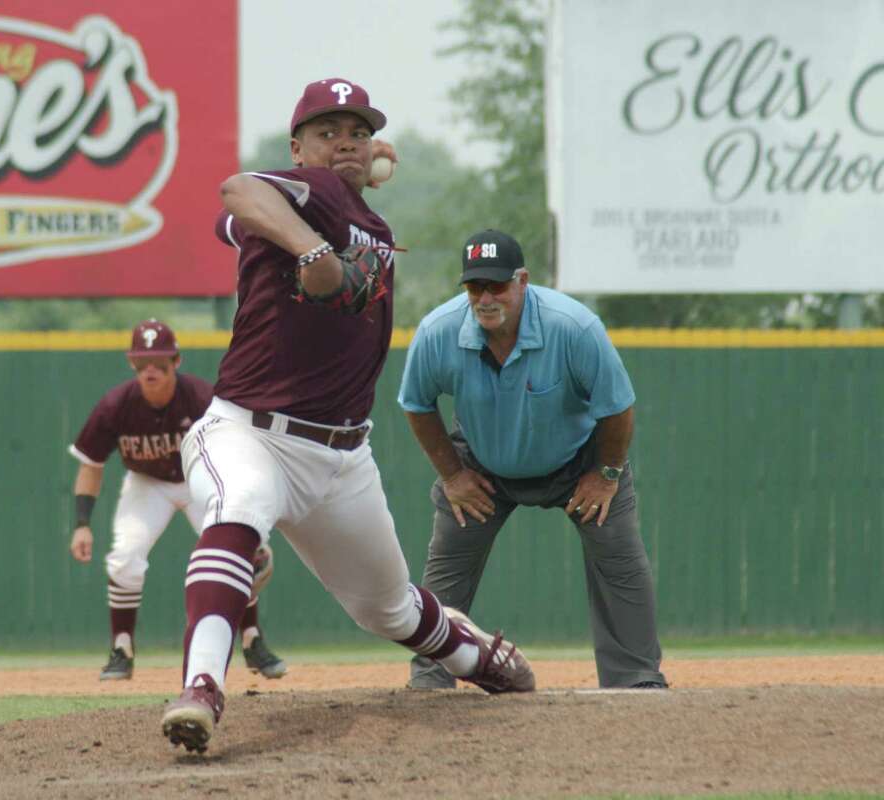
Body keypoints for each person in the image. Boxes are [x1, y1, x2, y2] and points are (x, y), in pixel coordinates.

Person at [159, 78, 535, 755]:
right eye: (328, 131)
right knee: (239, 506)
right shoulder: (317, 195)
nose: (347, 141)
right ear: (296, 148)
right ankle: (201, 688)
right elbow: (237, 191)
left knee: (386, 606)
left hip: (341, 458)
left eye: (358, 132)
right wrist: (315, 243)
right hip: (251, 431)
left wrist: (339, 210)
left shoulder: (360, 217)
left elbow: (240, 220)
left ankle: (474, 657)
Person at [398, 229, 668, 690]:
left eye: (496, 285)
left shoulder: (573, 327)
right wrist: (452, 475)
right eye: (474, 287)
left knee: (621, 561)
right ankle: (431, 681)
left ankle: (636, 681)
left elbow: (618, 406)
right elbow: (416, 404)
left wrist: (606, 476)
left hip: (581, 458)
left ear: (522, 280)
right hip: (482, 461)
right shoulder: (439, 331)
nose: (485, 297)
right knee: (446, 570)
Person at [69, 319, 287, 681]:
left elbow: (238, 447)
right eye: (142, 362)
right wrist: (81, 525)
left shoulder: (202, 399)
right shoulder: (116, 406)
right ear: (130, 362)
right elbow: (91, 466)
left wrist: (244, 503)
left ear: (177, 361)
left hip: (198, 479)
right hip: (147, 482)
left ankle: (251, 639)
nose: (150, 370)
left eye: (159, 361)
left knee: (238, 551)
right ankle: (122, 648)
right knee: (125, 556)